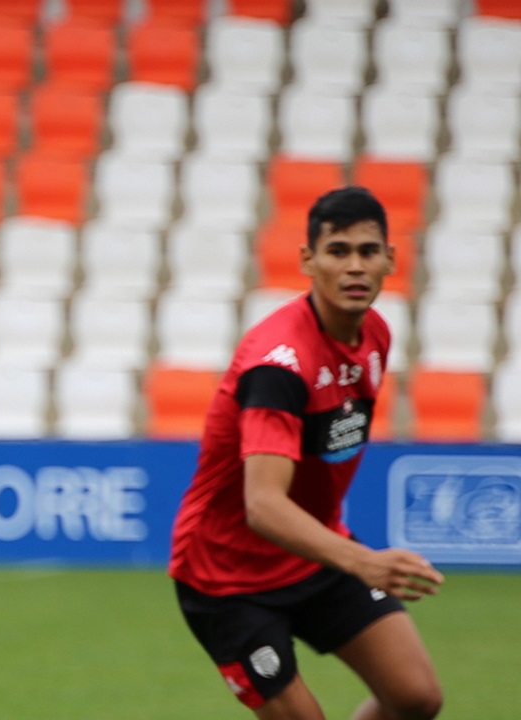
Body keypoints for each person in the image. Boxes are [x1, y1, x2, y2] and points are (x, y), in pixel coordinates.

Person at [168, 187, 444, 719]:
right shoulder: (279, 366)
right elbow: (263, 505)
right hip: (226, 577)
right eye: (338, 251)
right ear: (307, 260)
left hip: (314, 555)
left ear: (390, 259)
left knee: (415, 698)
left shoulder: (376, 335)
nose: (355, 266)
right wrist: (364, 561)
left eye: (368, 251)